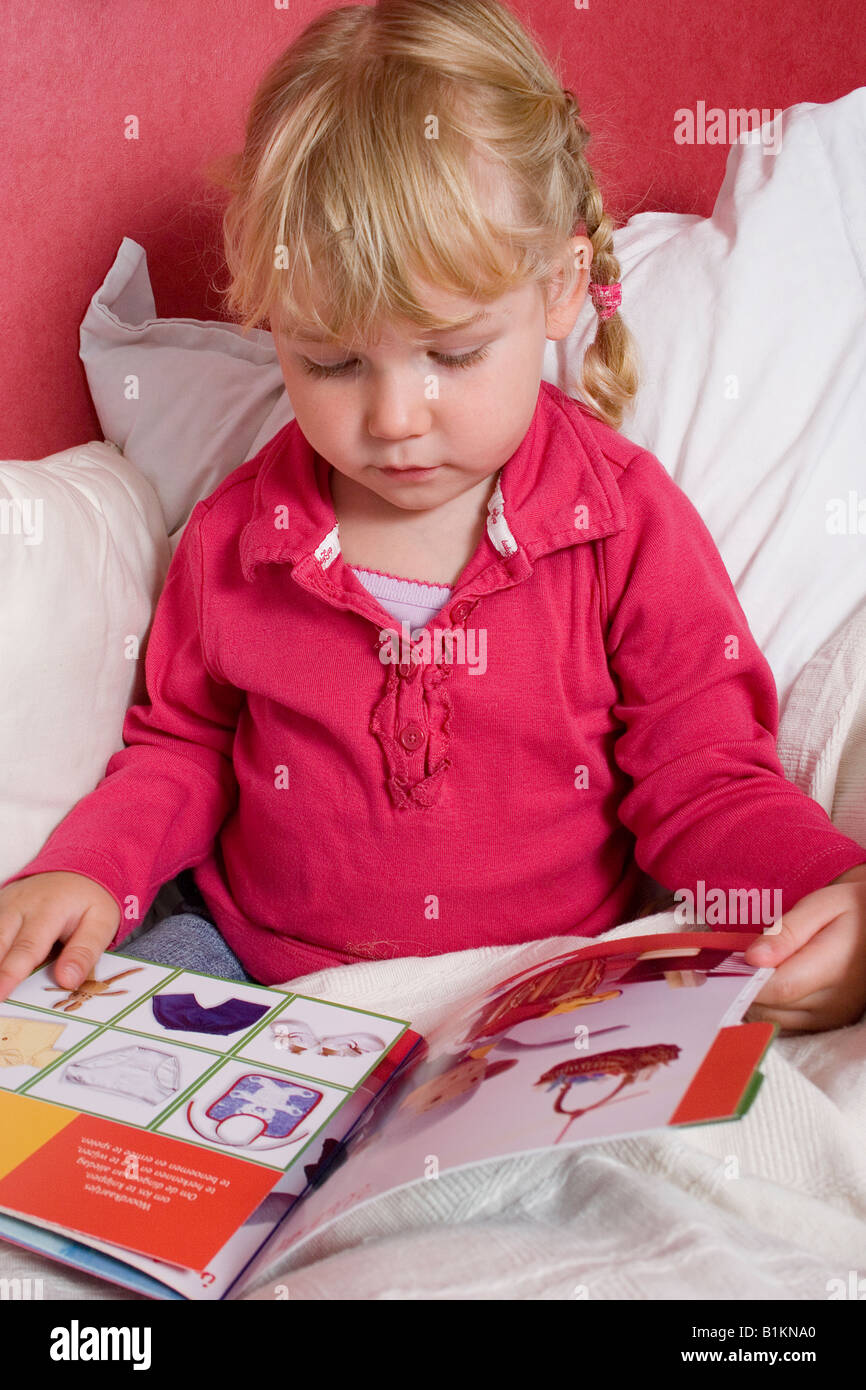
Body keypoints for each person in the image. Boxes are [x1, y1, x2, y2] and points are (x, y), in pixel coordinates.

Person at [1, 0, 865, 1032]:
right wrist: (90, 867)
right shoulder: (241, 537)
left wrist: (826, 890)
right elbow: (180, 749)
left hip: (534, 990)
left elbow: (704, 774)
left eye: (452, 354)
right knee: (77, 1035)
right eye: (331, 362)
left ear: (560, 287)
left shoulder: (620, 525)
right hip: (253, 963)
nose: (394, 419)